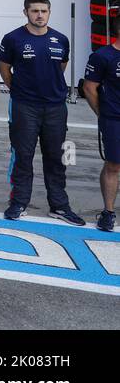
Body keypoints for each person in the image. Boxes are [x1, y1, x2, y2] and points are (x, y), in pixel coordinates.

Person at [0, 0, 83, 224]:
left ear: (49, 12)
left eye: (43, 11)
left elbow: (60, 67)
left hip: (55, 107)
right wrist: (20, 91)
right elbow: (5, 70)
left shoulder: (61, 39)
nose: (39, 15)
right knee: (23, 156)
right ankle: (18, 202)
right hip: (24, 106)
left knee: (56, 157)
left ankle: (59, 206)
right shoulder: (13, 38)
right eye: (34, 11)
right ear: (25, 12)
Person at [82, 18, 120, 232]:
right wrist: (103, 115)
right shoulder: (102, 56)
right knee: (114, 165)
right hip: (114, 119)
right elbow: (89, 88)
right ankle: (108, 212)